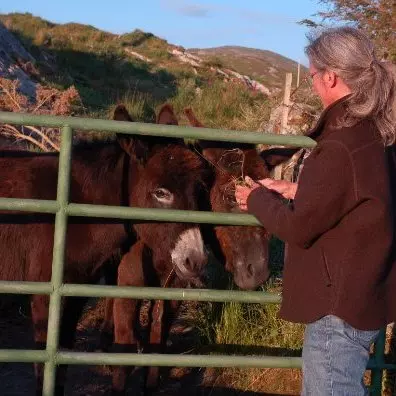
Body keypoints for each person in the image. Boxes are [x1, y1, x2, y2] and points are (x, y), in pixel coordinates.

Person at [235, 26, 396, 395]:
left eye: (312, 75)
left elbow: (299, 227)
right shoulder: (375, 131)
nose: (311, 85)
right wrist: (298, 189)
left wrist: (257, 200)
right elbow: (366, 195)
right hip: (365, 291)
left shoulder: (339, 143)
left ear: (331, 76)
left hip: (336, 306)